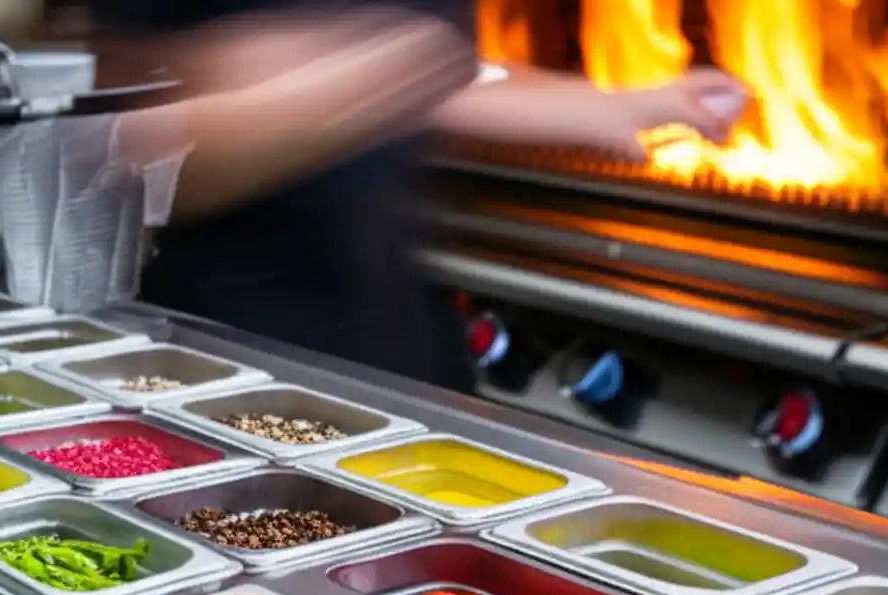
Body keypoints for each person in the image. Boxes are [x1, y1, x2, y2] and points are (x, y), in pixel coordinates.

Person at [96, 1, 745, 391]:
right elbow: (136, 154)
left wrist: (625, 106)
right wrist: (378, 67)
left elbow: (442, 75)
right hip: (234, 377)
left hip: (398, 363)